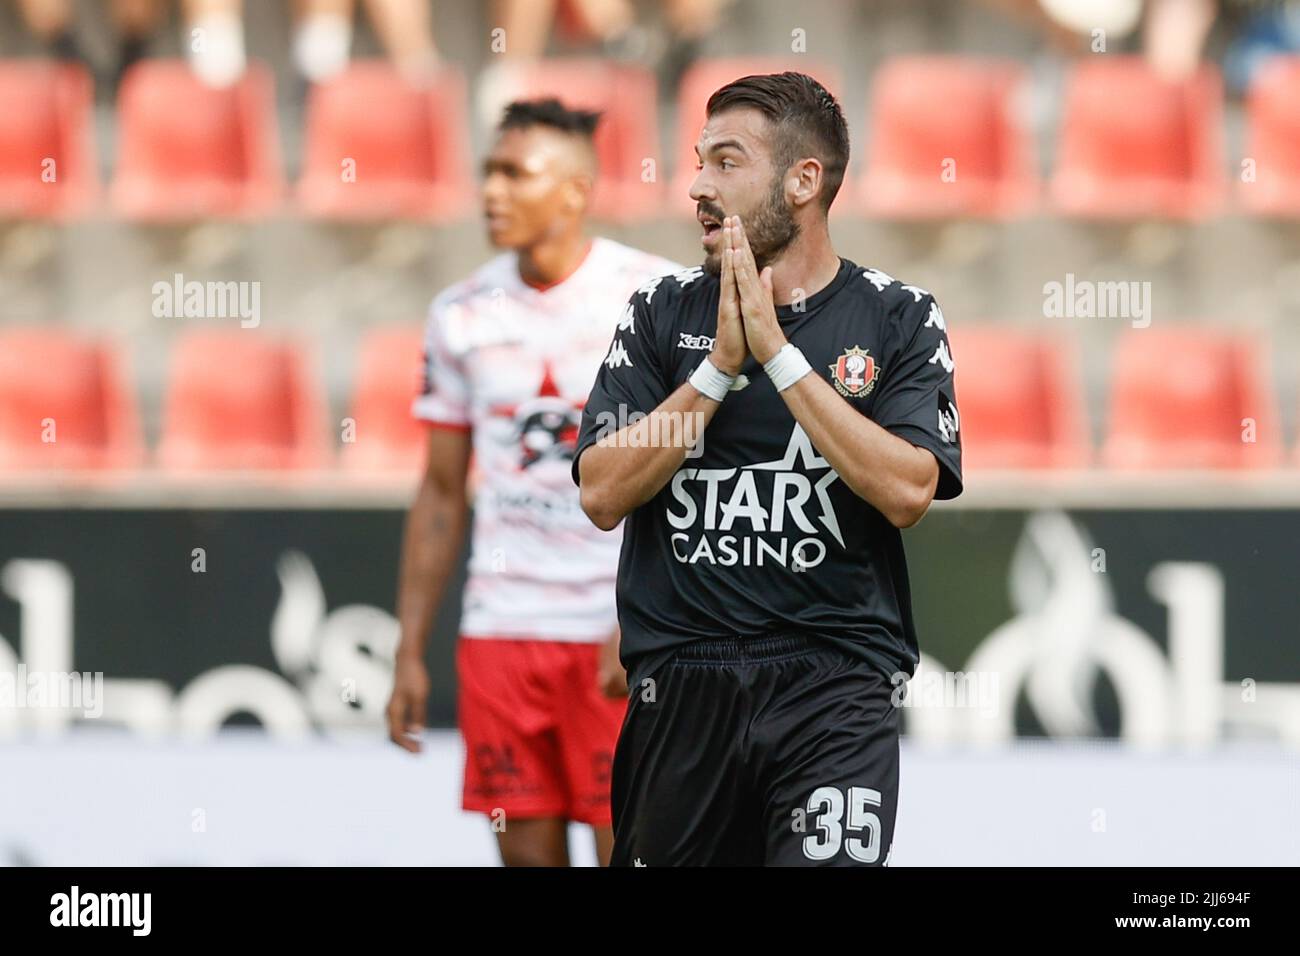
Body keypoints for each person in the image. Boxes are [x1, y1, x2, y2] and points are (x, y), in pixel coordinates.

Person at [572, 72, 963, 866]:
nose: (697, 187)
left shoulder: (898, 317)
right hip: (681, 685)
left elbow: (908, 489)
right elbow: (602, 492)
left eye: (725, 162)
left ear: (804, 179)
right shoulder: (659, 314)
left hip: (835, 684)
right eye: (698, 162)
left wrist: (780, 360)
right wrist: (717, 372)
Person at [385, 98, 682, 867]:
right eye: (488, 171)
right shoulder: (460, 314)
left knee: (633, 850)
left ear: (576, 190)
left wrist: (649, 613)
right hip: (501, 630)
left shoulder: (651, 300)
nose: (492, 191)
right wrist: (409, 647)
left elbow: (695, 469)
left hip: (611, 633)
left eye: (516, 174)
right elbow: (443, 491)